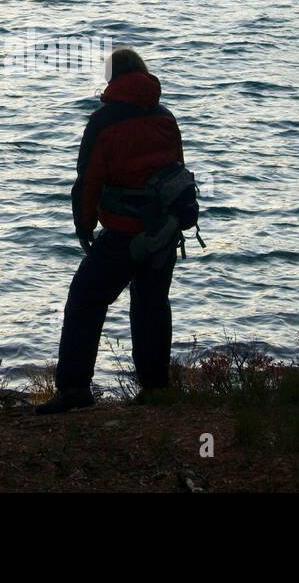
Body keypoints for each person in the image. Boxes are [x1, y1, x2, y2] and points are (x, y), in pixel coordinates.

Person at [36, 47, 187, 415]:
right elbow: (177, 170)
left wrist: (84, 227)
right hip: (163, 233)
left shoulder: (103, 122)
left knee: (85, 301)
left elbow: (88, 180)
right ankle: (155, 390)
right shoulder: (165, 116)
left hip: (121, 233)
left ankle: (74, 389)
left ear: (112, 78)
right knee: (151, 306)